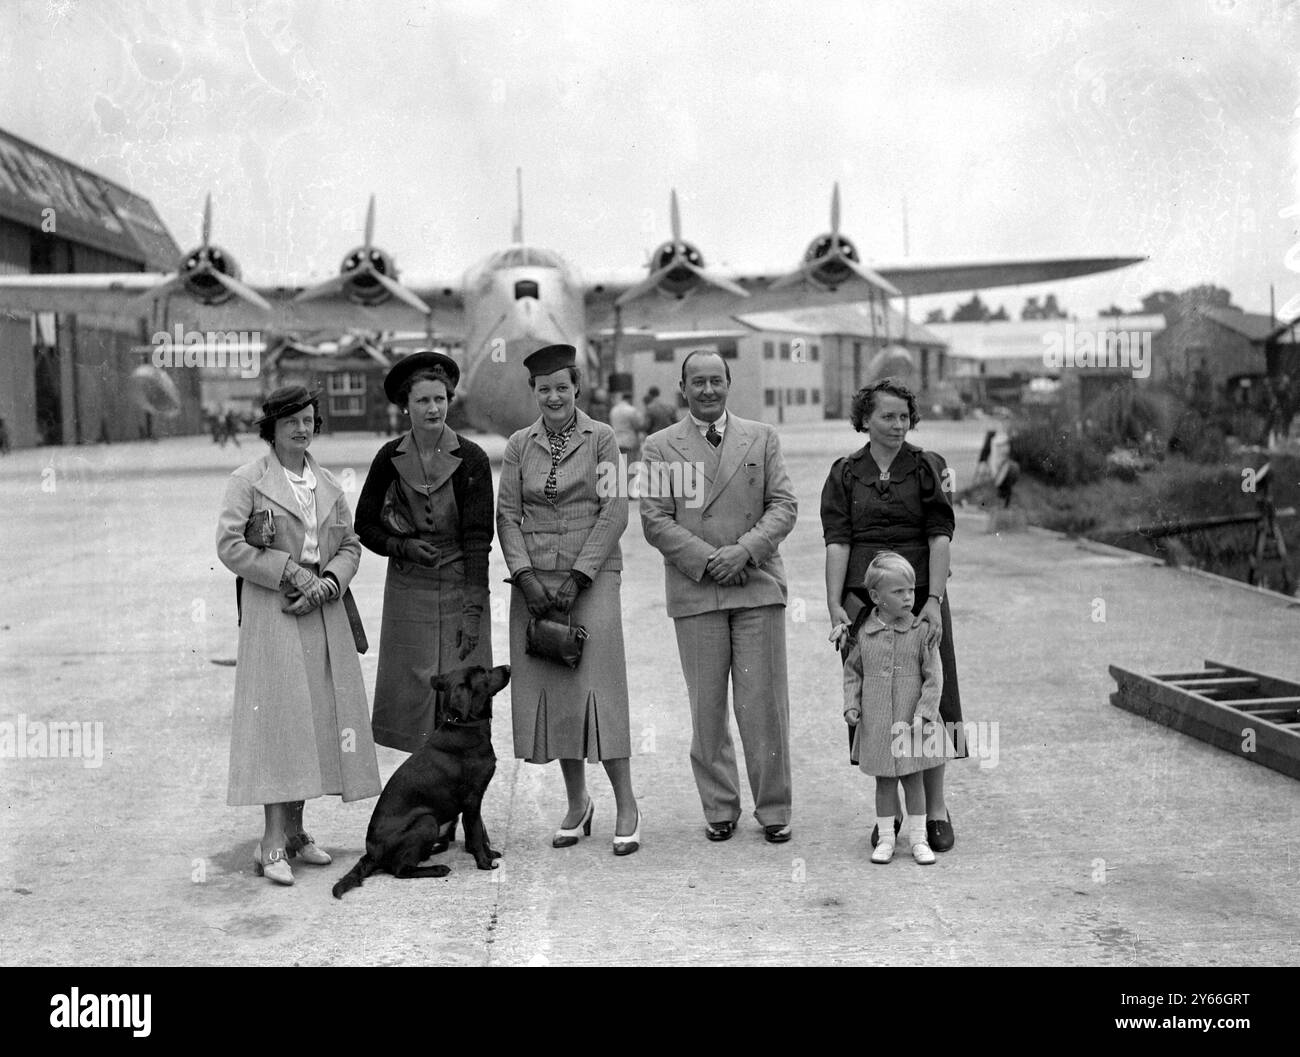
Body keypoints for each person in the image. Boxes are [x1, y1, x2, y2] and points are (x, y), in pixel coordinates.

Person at [216, 385, 381, 886]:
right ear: (272, 428)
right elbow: (229, 546)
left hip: (322, 614)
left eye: (309, 420)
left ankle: (297, 831)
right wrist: (291, 571)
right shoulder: (248, 481)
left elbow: (350, 545)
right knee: (279, 724)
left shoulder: (327, 482)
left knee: (313, 722)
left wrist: (327, 581)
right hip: (274, 614)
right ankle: (269, 841)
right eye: (291, 421)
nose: (302, 428)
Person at [640, 350, 798, 843]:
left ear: (729, 384)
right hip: (697, 590)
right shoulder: (660, 446)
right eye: (697, 382)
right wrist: (711, 560)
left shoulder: (762, 437)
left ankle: (773, 809)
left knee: (763, 706)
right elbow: (654, 519)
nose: (708, 390)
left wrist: (744, 552)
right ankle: (720, 808)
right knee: (706, 709)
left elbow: (784, 505)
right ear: (682, 388)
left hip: (756, 585)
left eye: (716, 381)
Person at [497, 344, 641, 855]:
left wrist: (579, 577)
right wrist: (525, 576)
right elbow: (507, 515)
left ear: (577, 387)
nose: (554, 396)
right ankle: (578, 803)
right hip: (536, 584)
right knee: (558, 691)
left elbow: (616, 510)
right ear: (533, 393)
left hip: (592, 576)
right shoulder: (518, 445)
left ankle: (626, 804)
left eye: (562, 386)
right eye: (544, 389)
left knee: (600, 686)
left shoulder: (602, 439)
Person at [822, 377, 965, 853]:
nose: (898, 424)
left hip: (917, 596)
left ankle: (936, 809)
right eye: (887, 416)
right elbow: (838, 541)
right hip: (865, 604)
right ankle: (892, 813)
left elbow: (940, 535)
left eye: (904, 416)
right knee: (877, 700)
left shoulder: (928, 467)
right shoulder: (844, 472)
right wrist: (834, 604)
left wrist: (934, 601)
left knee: (929, 699)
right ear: (865, 420)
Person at [355, 351, 494, 758]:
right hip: (408, 590)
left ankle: (458, 809)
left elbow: (478, 539)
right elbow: (365, 525)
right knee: (413, 697)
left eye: (441, 399)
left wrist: (473, 610)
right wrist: (401, 546)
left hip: (459, 589)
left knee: (462, 691)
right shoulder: (388, 458)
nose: (434, 408)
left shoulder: (473, 458)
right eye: (423, 401)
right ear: (405, 405)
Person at [842, 552, 957, 864]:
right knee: (884, 782)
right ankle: (887, 840)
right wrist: (851, 704)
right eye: (899, 592)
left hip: (913, 721)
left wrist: (925, 713)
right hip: (878, 722)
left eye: (911, 590)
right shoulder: (864, 634)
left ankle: (919, 839)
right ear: (876, 597)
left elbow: (935, 677)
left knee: (914, 779)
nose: (908, 598)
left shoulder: (921, 632)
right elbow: (854, 672)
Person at [609, 391, 643, 460]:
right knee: (630, 465)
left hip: (616, 441)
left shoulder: (613, 410)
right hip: (629, 441)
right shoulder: (631, 410)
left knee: (620, 466)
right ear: (630, 399)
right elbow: (637, 426)